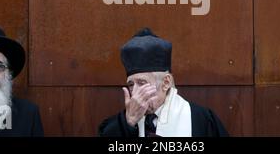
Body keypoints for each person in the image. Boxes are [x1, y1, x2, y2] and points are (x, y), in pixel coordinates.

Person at [98, 28, 229, 137]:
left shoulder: (201, 120)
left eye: (142, 83)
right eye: (131, 84)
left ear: (166, 83)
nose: (135, 93)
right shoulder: (116, 127)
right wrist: (130, 121)